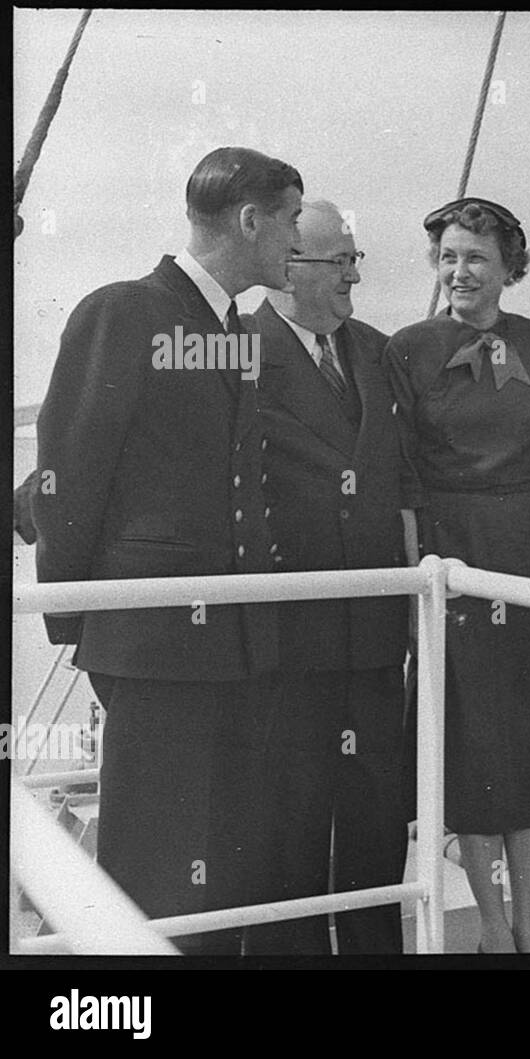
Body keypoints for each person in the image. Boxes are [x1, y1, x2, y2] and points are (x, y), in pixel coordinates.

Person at [31, 146, 303, 954]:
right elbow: (69, 475)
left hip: (234, 646)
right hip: (152, 647)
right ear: (249, 220)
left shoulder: (232, 330)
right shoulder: (124, 312)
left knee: (220, 881)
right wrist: (79, 621)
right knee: (154, 873)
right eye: (290, 220)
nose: (296, 240)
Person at [385, 198, 530, 954]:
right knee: (471, 748)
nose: (460, 272)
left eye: (476, 258)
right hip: (453, 562)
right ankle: (491, 923)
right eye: (447, 257)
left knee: (527, 741)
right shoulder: (409, 348)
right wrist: (420, 577)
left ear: (510, 267)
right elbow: (400, 478)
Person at [240, 200, 412, 955]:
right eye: (340, 262)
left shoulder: (378, 352)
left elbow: (404, 482)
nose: (354, 277)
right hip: (287, 644)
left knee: (377, 825)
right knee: (288, 832)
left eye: (353, 259)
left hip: (375, 639)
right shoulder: (235, 353)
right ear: (288, 266)